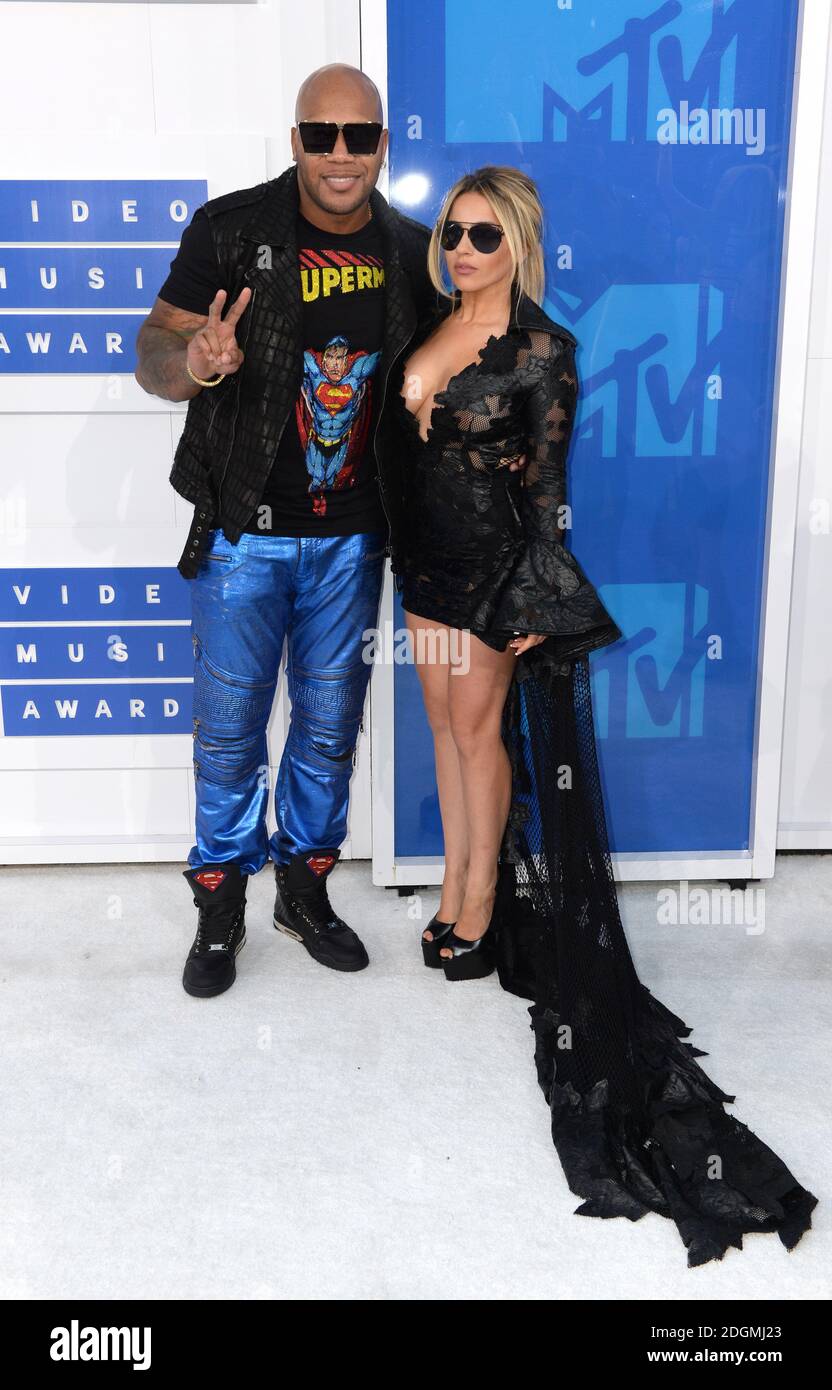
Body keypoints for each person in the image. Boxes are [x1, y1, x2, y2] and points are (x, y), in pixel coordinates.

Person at [379, 163, 817, 1266]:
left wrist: (534, 589)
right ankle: (456, 883)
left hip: (485, 572)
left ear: (518, 243)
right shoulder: (430, 327)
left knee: (480, 735)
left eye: (482, 236)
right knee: (441, 729)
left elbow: (545, 484)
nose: (462, 250)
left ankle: (475, 906)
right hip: (421, 568)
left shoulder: (542, 352)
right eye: (452, 234)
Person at [134, 63, 441, 996]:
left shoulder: (411, 249)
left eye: (359, 136)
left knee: (328, 729)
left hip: (356, 538)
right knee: (227, 733)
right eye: (321, 134)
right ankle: (221, 904)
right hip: (244, 533)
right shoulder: (232, 232)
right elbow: (153, 356)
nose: (340, 156)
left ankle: (302, 891)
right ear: (296, 139)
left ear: (383, 145)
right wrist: (196, 358)